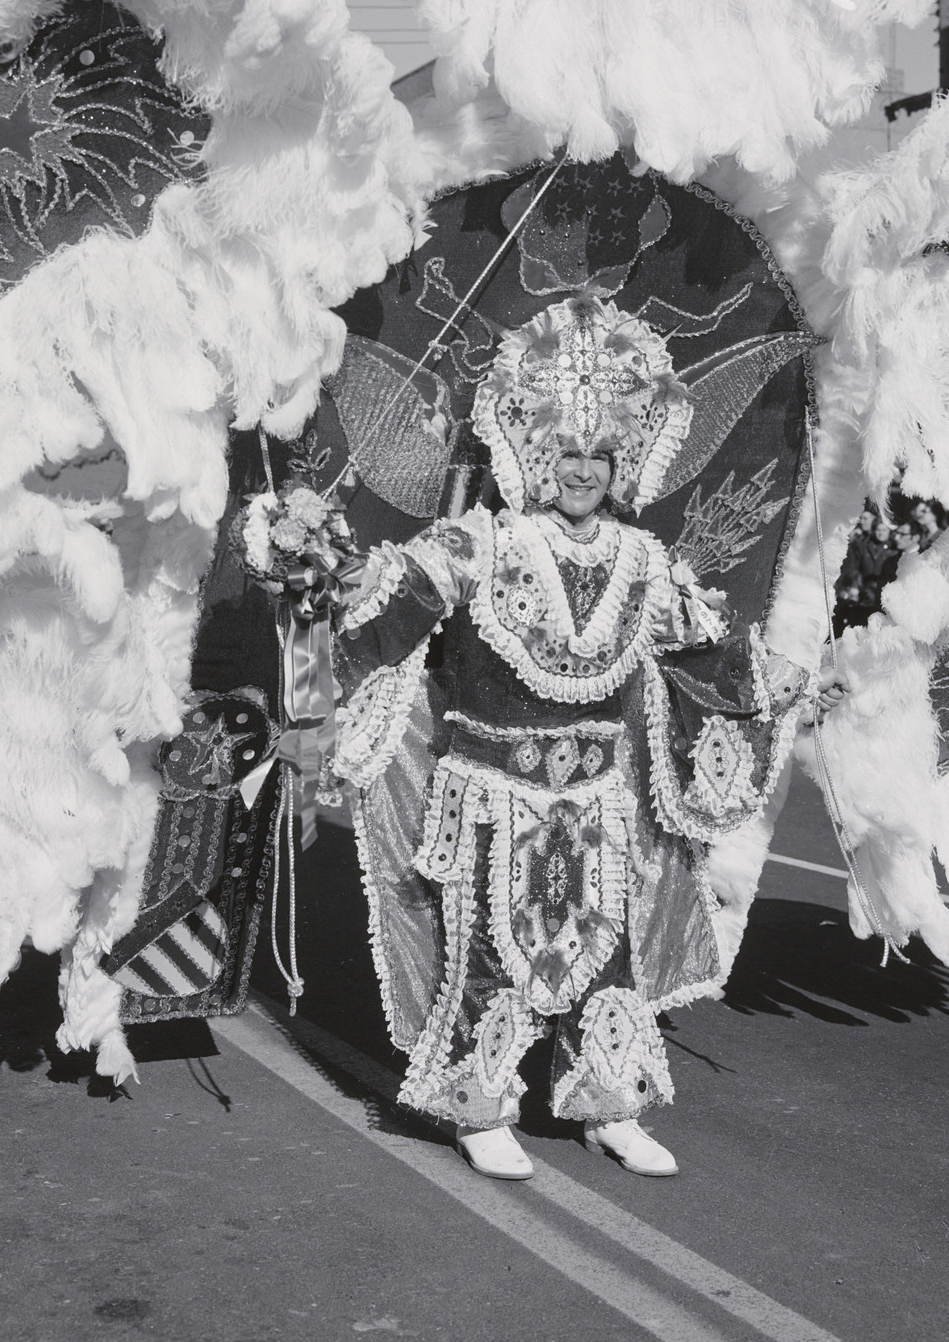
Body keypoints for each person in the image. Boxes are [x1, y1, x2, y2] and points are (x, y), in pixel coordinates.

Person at [326, 296, 790, 1182]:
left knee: (604, 957)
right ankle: (481, 1108)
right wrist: (314, 582)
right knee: (492, 956)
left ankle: (608, 1105)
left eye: (599, 456)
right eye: (566, 451)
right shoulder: (475, 543)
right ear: (532, 454)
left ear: (621, 466)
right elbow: (379, 620)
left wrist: (786, 685)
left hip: (596, 804)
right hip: (492, 799)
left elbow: (710, 650)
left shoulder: (644, 560)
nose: (582, 470)